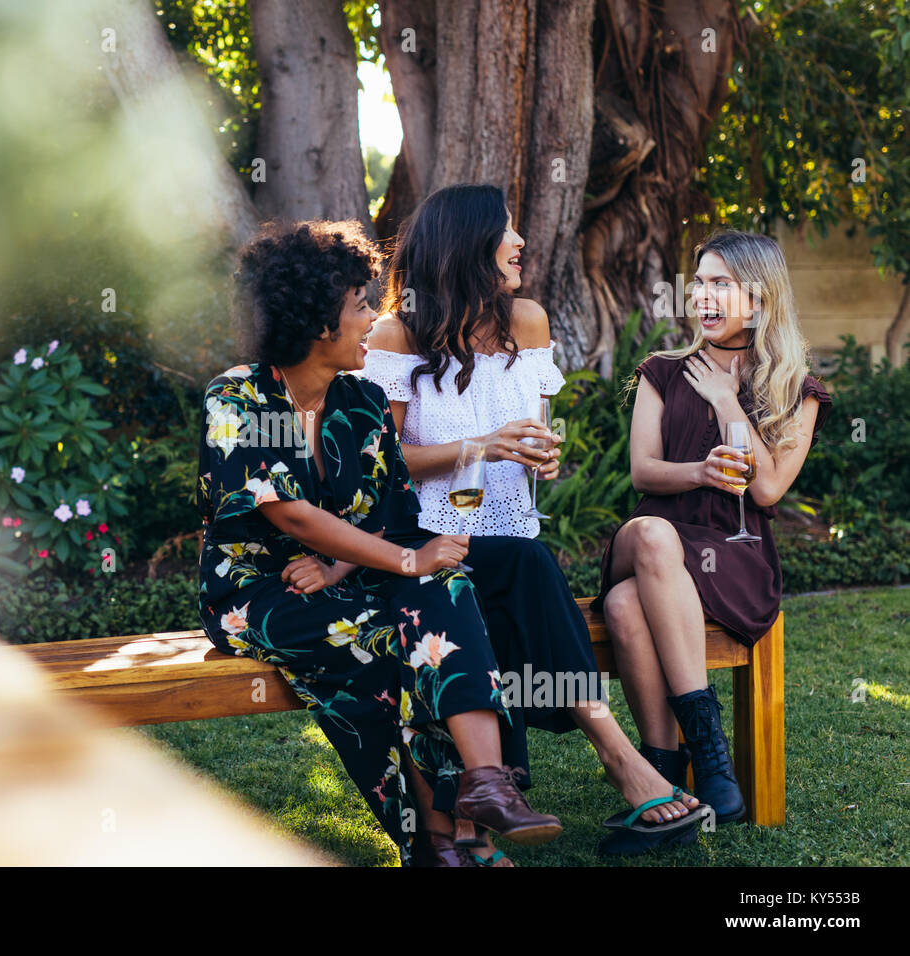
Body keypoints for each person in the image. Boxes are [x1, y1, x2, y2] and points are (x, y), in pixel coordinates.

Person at [197, 219, 565, 867]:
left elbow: (385, 511)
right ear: (316, 323)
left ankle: (485, 785)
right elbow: (291, 515)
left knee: (443, 585)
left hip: (342, 574)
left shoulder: (359, 401)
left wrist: (347, 565)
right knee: (380, 642)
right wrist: (402, 560)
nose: (375, 317)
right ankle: (435, 839)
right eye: (359, 305)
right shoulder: (241, 397)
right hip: (254, 593)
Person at [364, 183, 704, 855]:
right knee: (526, 568)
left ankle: (498, 787)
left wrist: (541, 455)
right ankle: (617, 754)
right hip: (418, 547)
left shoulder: (530, 323)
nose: (521, 242)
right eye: (506, 231)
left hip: (509, 537)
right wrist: (479, 447)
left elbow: (539, 436)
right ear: (466, 244)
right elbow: (379, 470)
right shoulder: (395, 335)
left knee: (523, 563)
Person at [592, 230, 831, 848]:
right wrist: (698, 472)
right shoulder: (663, 371)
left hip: (734, 553)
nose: (703, 295)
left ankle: (665, 779)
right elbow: (642, 471)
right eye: (698, 282)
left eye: (720, 283)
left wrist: (729, 399)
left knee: (623, 605)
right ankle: (711, 751)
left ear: (759, 298)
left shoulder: (794, 388)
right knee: (652, 536)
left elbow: (770, 488)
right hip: (653, 537)